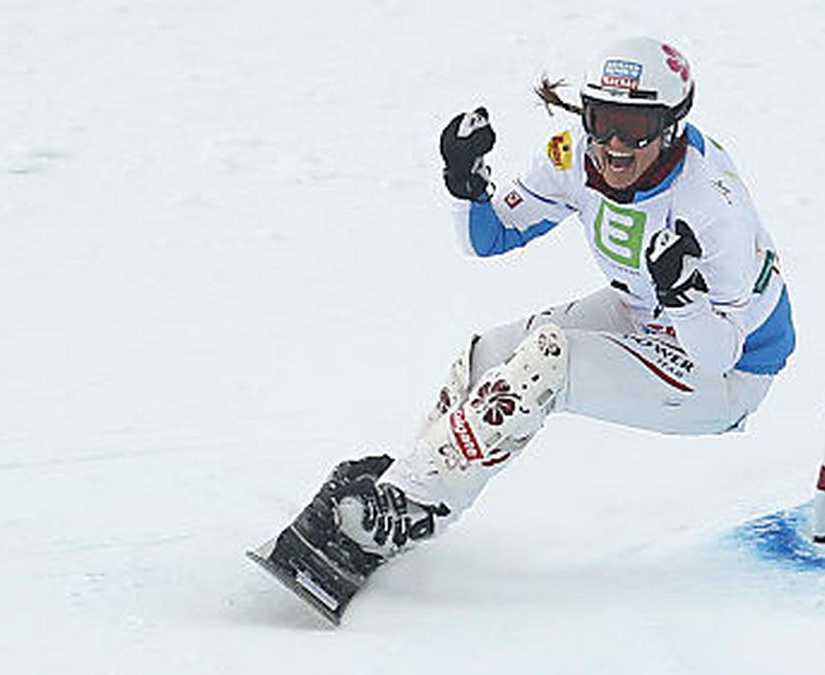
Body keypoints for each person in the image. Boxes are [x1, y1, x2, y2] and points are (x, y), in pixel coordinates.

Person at [252, 36, 796, 623]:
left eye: (635, 127)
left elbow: (717, 352)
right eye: (603, 120)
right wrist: (465, 182)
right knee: (486, 358)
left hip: (728, 372)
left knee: (548, 361)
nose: (614, 145)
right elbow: (490, 237)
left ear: (670, 126)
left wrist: (682, 293)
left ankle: (401, 510)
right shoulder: (572, 157)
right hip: (647, 313)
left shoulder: (713, 207)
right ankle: (409, 491)